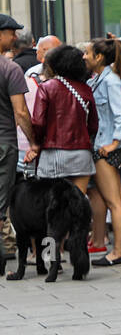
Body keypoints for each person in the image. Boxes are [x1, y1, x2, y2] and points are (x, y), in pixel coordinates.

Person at [85, 37, 121, 267]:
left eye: (88, 53)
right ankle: (116, 251)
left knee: (115, 202)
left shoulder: (111, 82)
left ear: (99, 57)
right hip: (103, 146)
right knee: (114, 200)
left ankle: (117, 252)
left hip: (106, 149)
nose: (84, 56)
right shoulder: (102, 79)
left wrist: (114, 143)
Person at [25, 46, 98, 194]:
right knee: (78, 202)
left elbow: (38, 122)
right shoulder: (86, 89)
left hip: (54, 152)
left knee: (54, 202)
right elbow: (93, 125)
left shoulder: (47, 87)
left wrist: (36, 143)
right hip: (82, 153)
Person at [0, 16, 35, 258]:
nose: (15, 38)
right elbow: (21, 112)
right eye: (11, 32)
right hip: (4, 143)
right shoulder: (9, 69)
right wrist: (34, 141)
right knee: (1, 202)